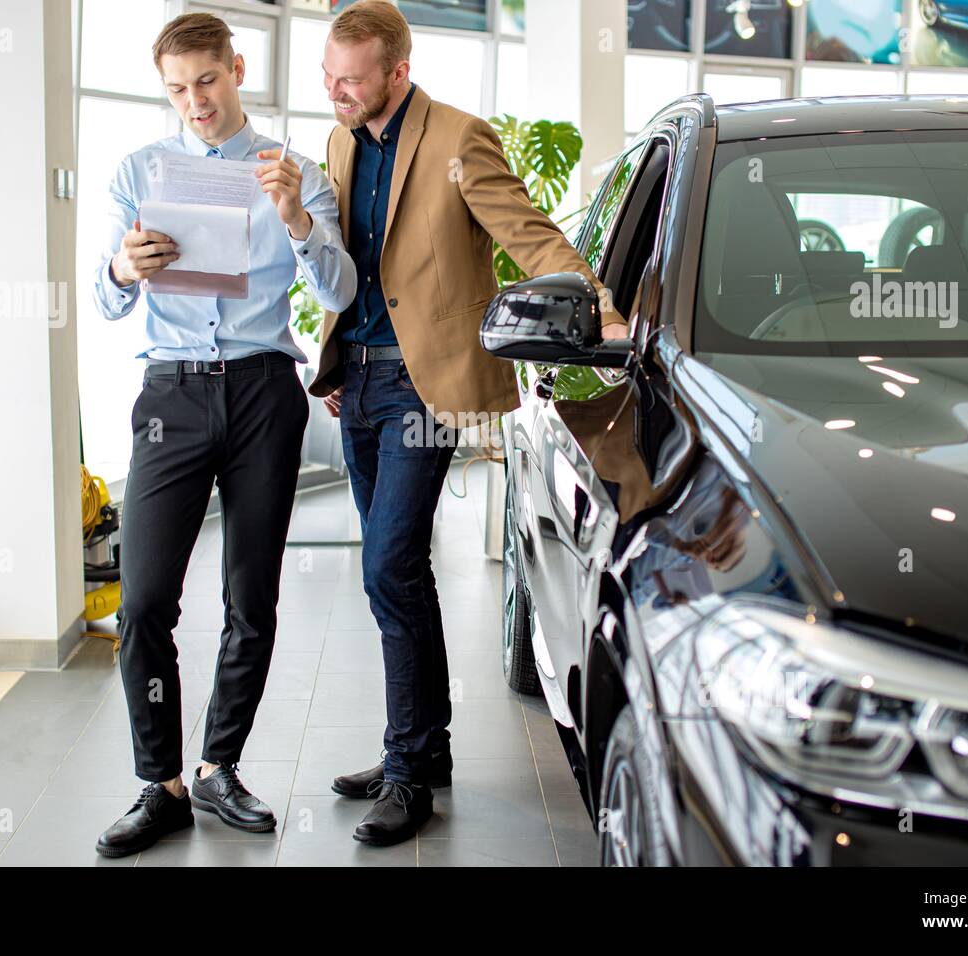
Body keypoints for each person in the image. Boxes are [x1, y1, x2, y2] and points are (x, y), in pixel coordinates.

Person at [309, 0, 627, 846]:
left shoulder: (459, 139)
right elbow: (345, 263)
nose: (336, 92)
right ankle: (421, 747)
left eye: (352, 79)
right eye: (329, 77)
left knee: (387, 565)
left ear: (397, 71)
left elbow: (532, 235)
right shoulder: (340, 141)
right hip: (361, 382)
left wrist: (599, 307)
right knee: (398, 576)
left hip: (426, 385)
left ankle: (410, 770)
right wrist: (334, 354)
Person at [92, 12, 355, 858]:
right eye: (176, 88)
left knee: (252, 597)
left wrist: (297, 222)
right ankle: (158, 782)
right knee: (142, 603)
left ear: (236, 68)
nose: (195, 103)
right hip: (170, 393)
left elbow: (342, 290)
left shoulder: (294, 169)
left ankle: (218, 766)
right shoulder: (139, 171)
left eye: (207, 81)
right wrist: (121, 269)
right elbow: (104, 300)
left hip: (262, 392)